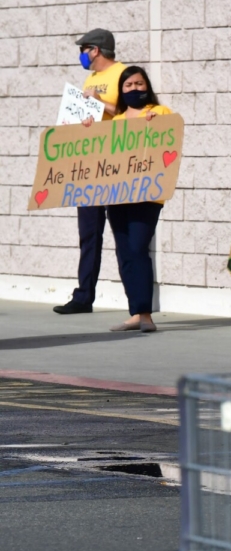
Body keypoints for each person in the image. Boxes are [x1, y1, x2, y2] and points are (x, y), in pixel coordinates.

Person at [80, 66, 171, 332]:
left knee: (138, 248)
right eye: (128, 86)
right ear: (121, 91)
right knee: (124, 252)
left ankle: (146, 314)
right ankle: (136, 312)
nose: (134, 89)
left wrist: (157, 124)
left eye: (139, 84)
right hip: (117, 195)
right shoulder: (117, 121)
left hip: (146, 195)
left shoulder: (159, 113)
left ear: (147, 86)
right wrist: (88, 129)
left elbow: (171, 137)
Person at [54, 29, 127, 315]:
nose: (82, 54)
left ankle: (137, 302)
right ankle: (83, 297)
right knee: (89, 232)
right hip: (89, 163)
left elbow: (127, 110)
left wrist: (98, 103)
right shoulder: (92, 79)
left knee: (123, 233)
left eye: (84, 49)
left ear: (95, 50)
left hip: (115, 162)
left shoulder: (122, 74)